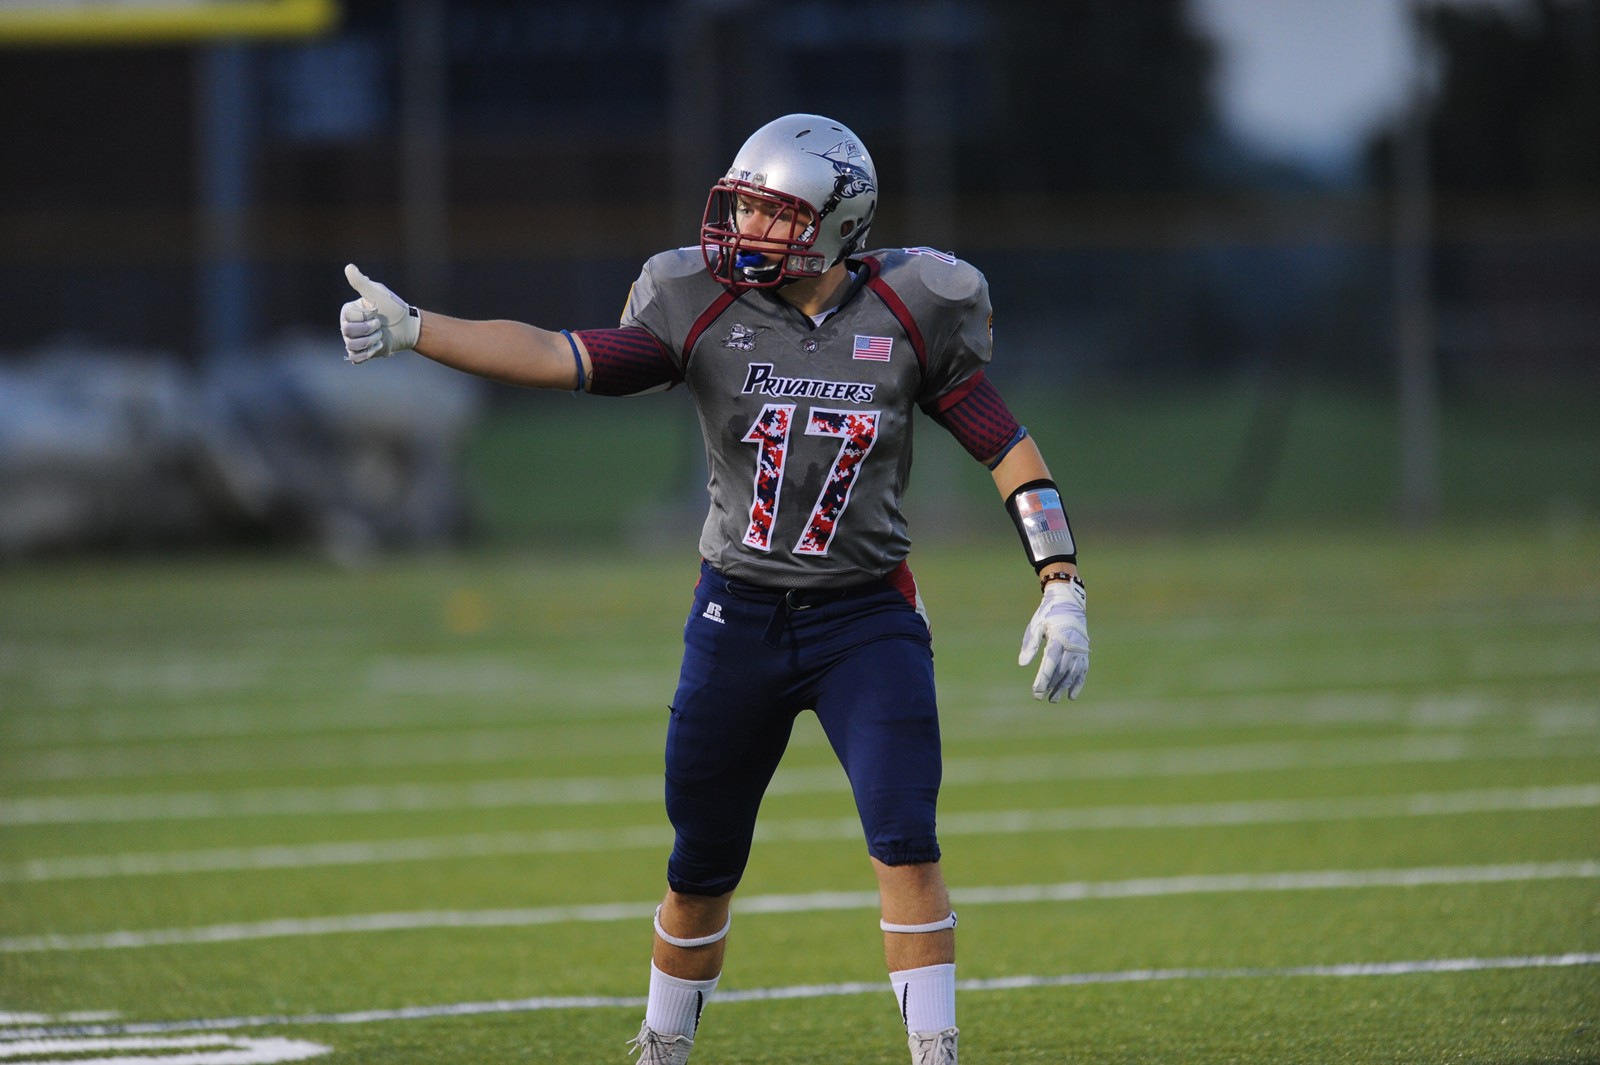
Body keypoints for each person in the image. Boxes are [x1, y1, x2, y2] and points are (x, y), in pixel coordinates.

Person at [339, 113, 1089, 1065]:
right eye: (740, 203)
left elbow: (1006, 447)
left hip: (868, 618)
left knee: (906, 839)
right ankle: (663, 1042)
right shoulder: (700, 304)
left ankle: (936, 1053)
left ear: (835, 223)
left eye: (770, 213)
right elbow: (560, 354)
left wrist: (1059, 582)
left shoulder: (910, 307)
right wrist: (418, 330)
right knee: (700, 863)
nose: (743, 227)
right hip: (736, 618)